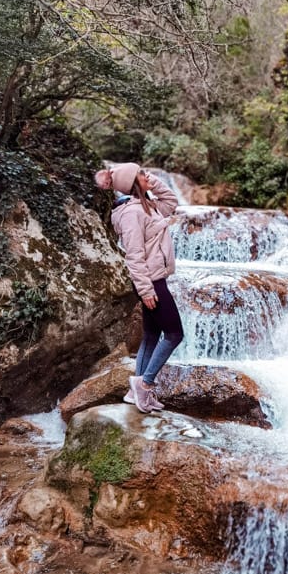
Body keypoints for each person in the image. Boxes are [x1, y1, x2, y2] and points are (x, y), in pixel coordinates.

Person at [94, 163, 184, 413]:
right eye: (142, 174)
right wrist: (145, 290)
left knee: (152, 335)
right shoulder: (131, 213)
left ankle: (134, 392)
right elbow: (133, 255)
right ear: (133, 182)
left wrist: (151, 182)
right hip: (150, 282)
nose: (147, 176)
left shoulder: (147, 206)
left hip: (155, 279)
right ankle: (145, 384)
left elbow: (171, 201)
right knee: (174, 334)